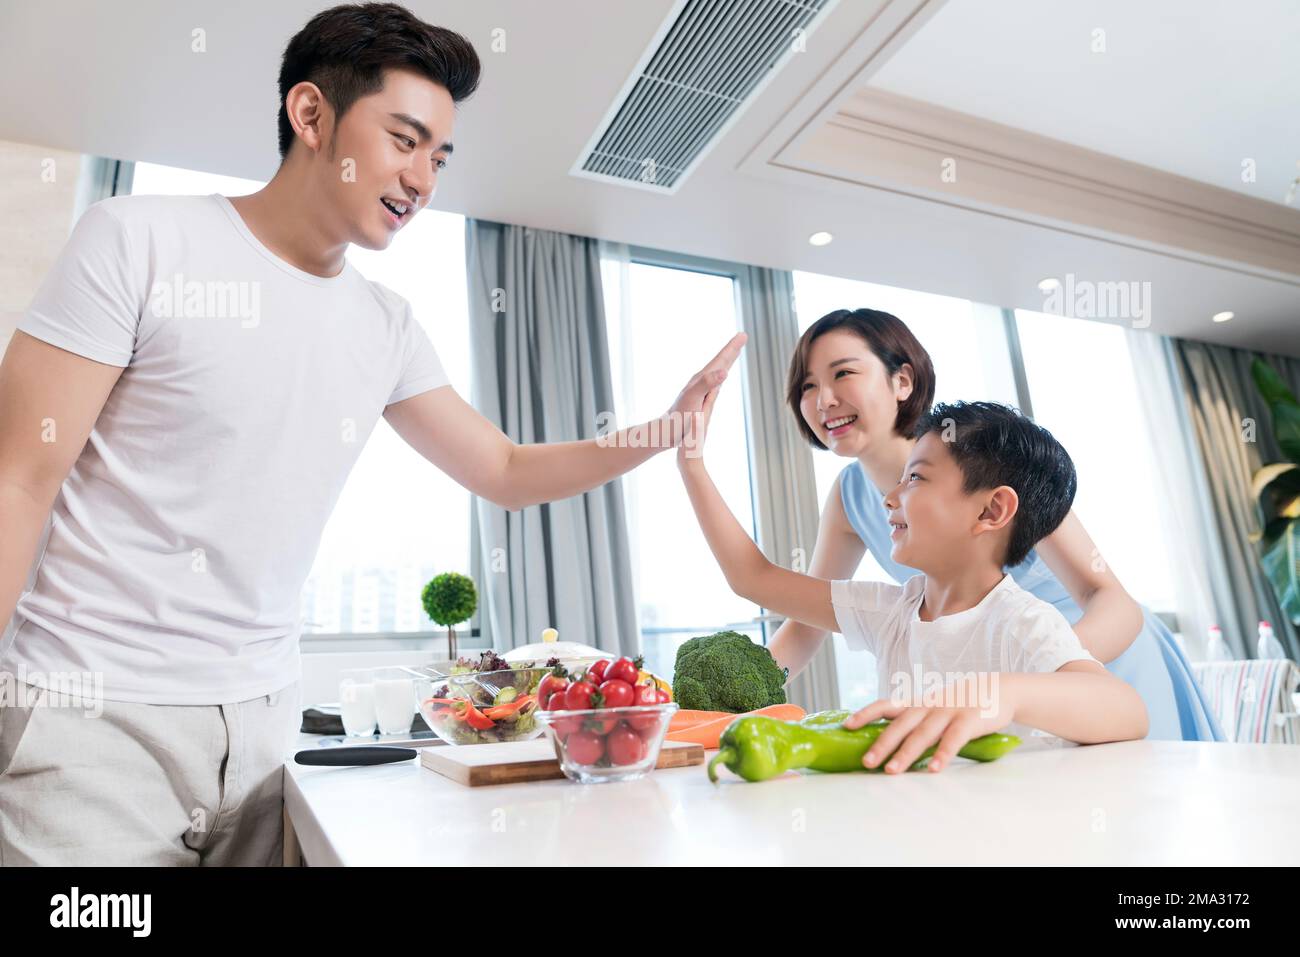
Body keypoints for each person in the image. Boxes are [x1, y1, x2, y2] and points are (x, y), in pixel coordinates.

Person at [0, 2, 742, 865]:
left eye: (439, 154)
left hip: (265, 725)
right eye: (403, 139)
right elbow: (19, 473)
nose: (424, 178)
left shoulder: (384, 325)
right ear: (311, 115)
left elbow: (500, 468)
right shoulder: (139, 239)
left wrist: (661, 430)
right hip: (92, 714)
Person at [770, 308, 1222, 741]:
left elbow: (1112, 600)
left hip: (1096, 664)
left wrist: (1041, 671)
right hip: (994, 688)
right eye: (808, 385)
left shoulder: (979, 456)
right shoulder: (849, 496)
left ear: (902, 380)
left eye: (842, 374)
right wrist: (729, 699)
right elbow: (808, 624)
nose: (823, 399)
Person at [678, 387, 1150, 772]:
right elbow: (752, 577)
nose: (890, 497)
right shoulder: (889, 613)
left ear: (990, 510)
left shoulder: (1021, 621)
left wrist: (1001, 694)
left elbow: (1126, 710)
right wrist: (691, 465)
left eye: (917, 479)